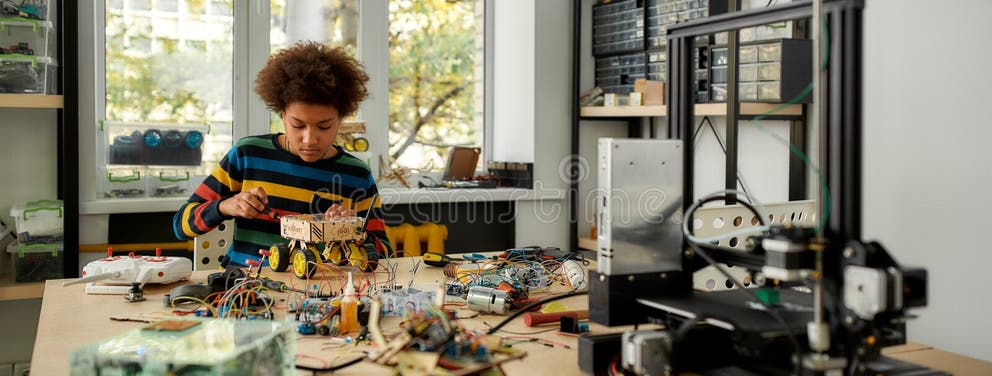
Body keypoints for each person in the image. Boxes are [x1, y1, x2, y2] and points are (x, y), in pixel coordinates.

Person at [172, 41, 391, 268]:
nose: (309, 139)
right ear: (282, 113)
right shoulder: (247, 156)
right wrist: (226, 206)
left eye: (324, 127)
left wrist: (350, 231)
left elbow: (384, 253)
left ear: (341, 119)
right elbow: (181, 225)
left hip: (318, 295)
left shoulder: (356, 175)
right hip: (245, 289)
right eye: (297, 125)